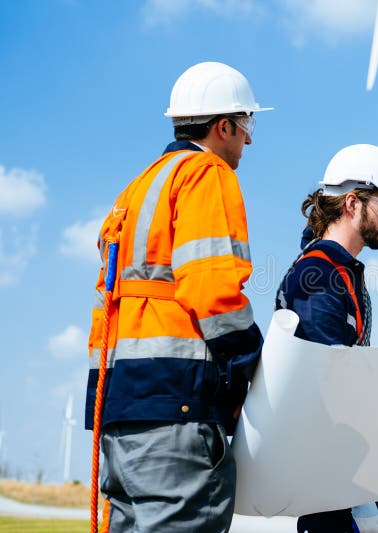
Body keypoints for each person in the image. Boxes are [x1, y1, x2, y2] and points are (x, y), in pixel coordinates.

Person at [84, 61, 269, 532]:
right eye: (246, 124)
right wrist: (256, 364)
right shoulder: (205, 173)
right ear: (223, 125)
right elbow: (209, 288)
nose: (248, 139)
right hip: (176, 409)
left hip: (120, 411)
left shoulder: (140, 185)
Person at [275, 144, 378, 533]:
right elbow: (329, 387)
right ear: (352, 203)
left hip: (349, 474)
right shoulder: (319, 276)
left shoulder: (335, 270)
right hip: (337, 482)